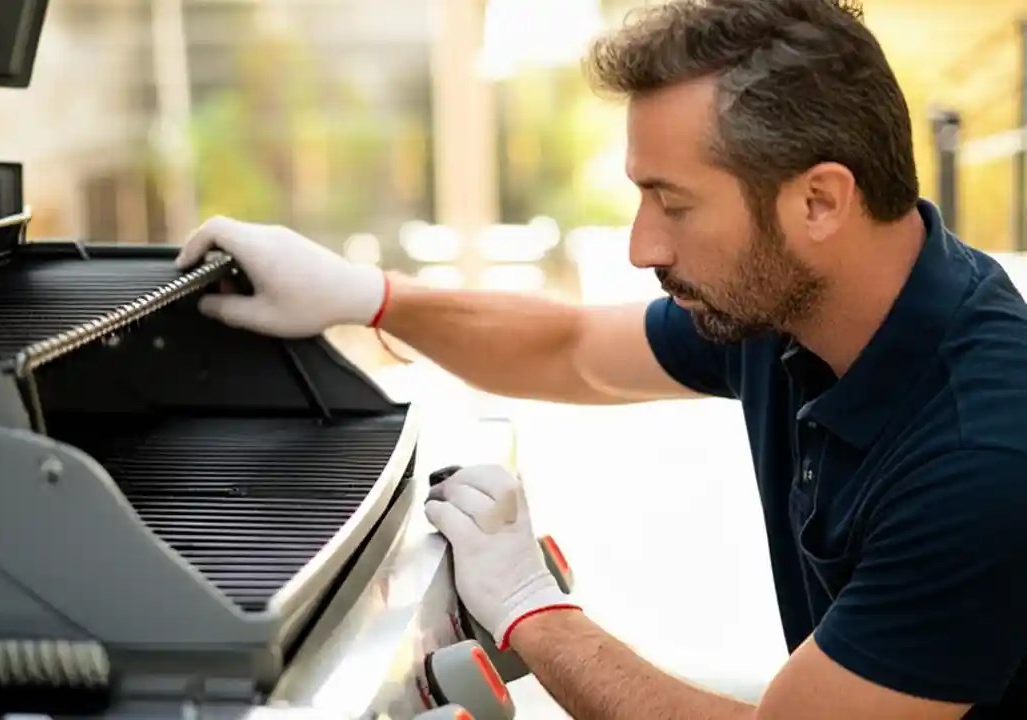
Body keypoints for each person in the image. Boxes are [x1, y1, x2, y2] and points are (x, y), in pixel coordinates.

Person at [173, 0, 1027, 717]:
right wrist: (368, 296)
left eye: (673, 204)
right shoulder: (795, 305)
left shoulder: (982, 460)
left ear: (819, 199)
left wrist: (533, 613)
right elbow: (574, 351)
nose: (640, 245)